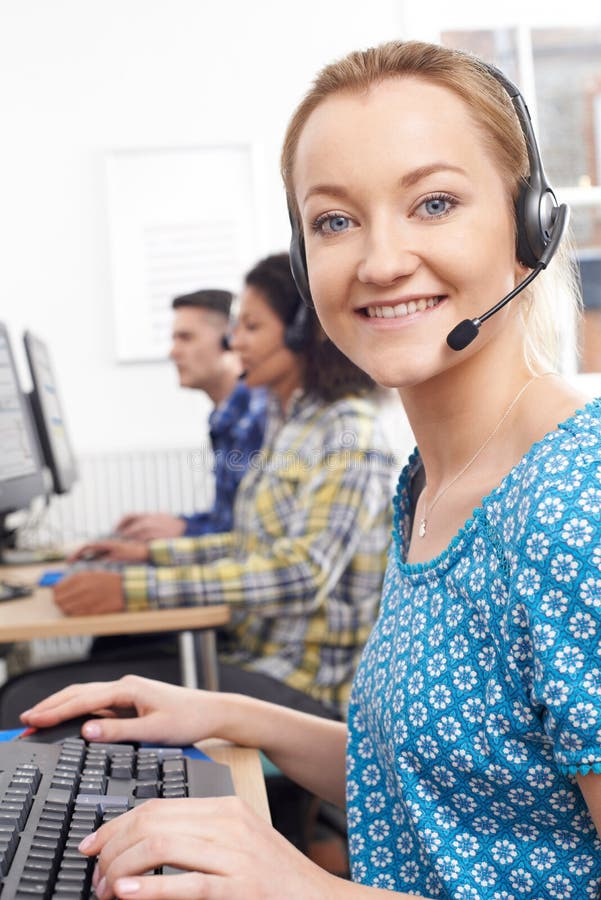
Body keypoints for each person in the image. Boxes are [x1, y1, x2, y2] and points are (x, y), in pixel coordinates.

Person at [21, 41, 601, 899]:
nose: (379, 261)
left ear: (529, 229)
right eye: (334, 221)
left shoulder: (575, 505)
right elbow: (443, 788)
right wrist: (222, 713)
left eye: (433, 203)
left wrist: (302, 886)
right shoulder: (430, 484)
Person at [49, 252, 394, 721]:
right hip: (251, 654)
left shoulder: (349, 432)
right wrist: (150, 555)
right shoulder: (292, 422)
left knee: (39, 694)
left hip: (299, 684)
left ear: (302, 332)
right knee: (98, 662)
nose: (234, 341)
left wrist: (135, 588)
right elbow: (254, 544)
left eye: (252, 326)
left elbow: (302, 574)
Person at [115, 288, 267, 541]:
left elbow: (251, 535)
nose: (172, 352)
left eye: (185, 338)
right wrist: (177, 524)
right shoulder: (225, 416)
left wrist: (183, 531)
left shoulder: (256, 416)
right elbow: (225, 519)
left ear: (230, 340)